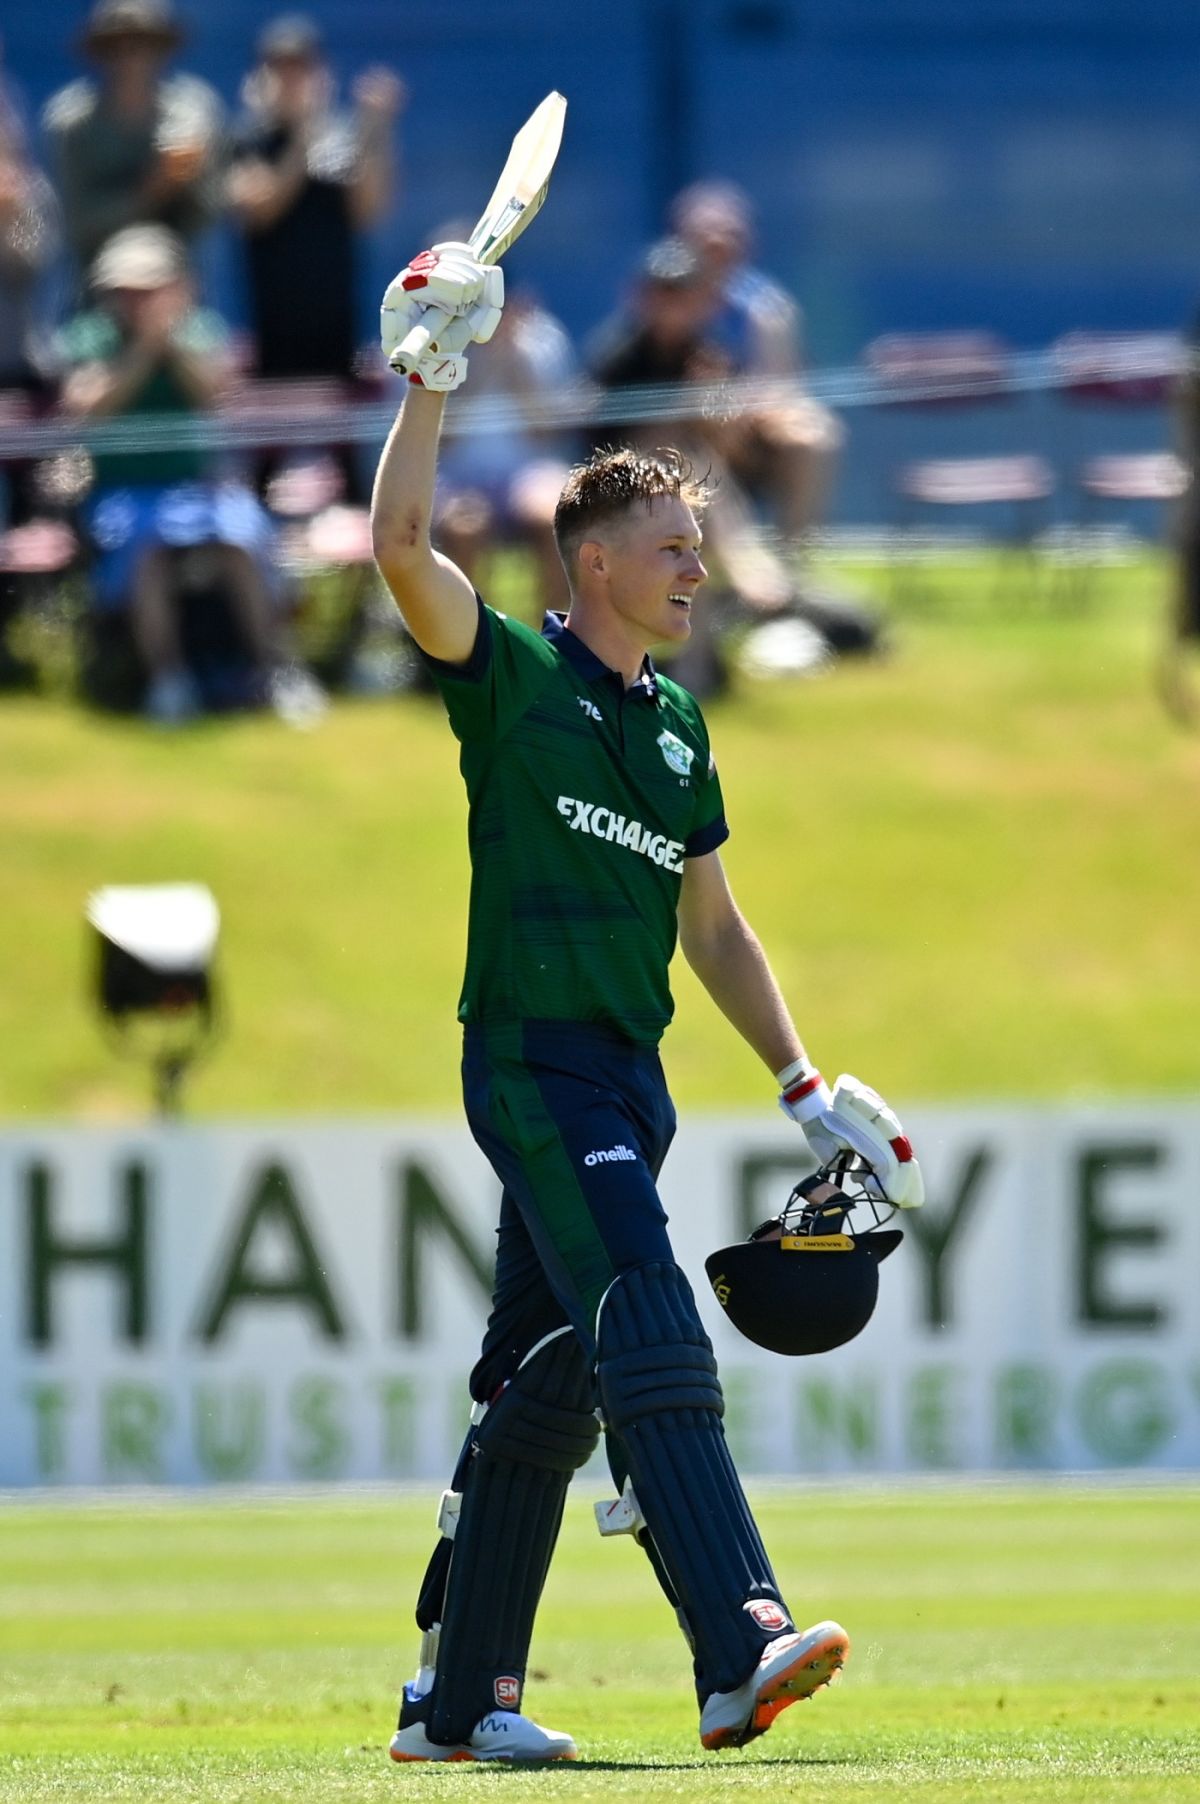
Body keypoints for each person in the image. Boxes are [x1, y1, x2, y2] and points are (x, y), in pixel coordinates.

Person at [369, 239, 924, 1763]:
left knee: (544, 1384)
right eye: (672, 543)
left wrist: (808, 1084)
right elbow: (402, 544)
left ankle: (455, 1701)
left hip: (635, 1080)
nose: (697, 565)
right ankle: (739, 1641)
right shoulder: (511, 677)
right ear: (592, 559)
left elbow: (715, 924)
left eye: (702, 541)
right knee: (647, 1312)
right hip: (533, 1064)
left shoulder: (680, 728)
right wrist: (429, 376)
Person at [59, 222, 322, 725]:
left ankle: (276, 671)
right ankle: (169, 682)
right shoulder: (89, 335)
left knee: (243, 539)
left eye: (148, 289)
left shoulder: (199, 329)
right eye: (127, 291)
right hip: (124, 495)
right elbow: (87, 407)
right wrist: (143, 351)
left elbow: (213, 394)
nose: (136, 301)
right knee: (148, 551)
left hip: (202, 491)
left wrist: (171, 345)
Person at [226, 14, 405, 499]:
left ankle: (362, 575)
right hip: (275, 344)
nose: (293, 81)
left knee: (350, 485)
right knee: (266, 484)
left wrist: (376, 128)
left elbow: (369, 208)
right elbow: (259, 207)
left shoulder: (342, 141)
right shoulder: (245, 141)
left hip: (337, 340)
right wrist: (304, 135)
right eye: (281, 70)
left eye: (302, 68)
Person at [670, 179, 843, 554]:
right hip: (684, 430)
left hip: (752, 425)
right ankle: (728, 571)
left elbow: (781, 383)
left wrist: (741, 412)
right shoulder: (663, 297)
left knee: (815, 436)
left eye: (730, 236)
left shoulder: (766, 307)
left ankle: (793, 563)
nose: (718, 247)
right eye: (707, 238)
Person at [42, 0, 224, 285]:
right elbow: (75, 227)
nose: (130, 60)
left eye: (142, 46)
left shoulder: (195, 113)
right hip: (97, 292)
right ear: (100, 55)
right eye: (117, 48)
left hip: (179, 290)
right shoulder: (72, 124)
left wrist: (193, 178)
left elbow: (210, 215)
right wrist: (153, 189)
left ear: (162, 51)